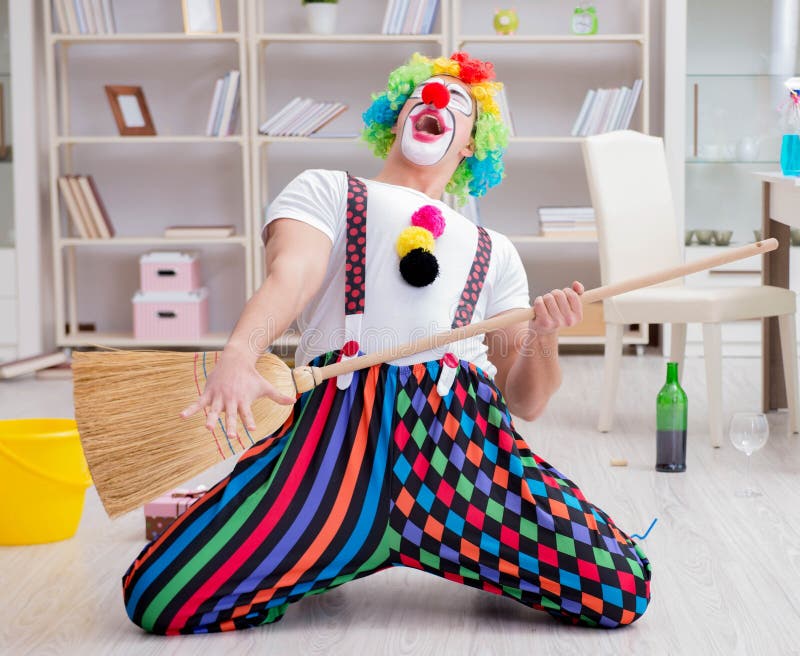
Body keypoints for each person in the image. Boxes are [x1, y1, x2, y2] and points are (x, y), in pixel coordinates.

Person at [121, 52, 651, 635]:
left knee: (622, 586)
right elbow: (290, 277)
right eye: (425, 93)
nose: (439, 101)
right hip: (331, 450)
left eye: (461, 105)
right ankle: (328, 550)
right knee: (157, 596)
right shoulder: (326, 190)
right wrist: (240, 353)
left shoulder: (494, 250)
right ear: (398, 117)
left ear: (471, 144)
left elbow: (527, 400)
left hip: (462, 458)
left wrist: (544, 338)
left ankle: (469, 554)